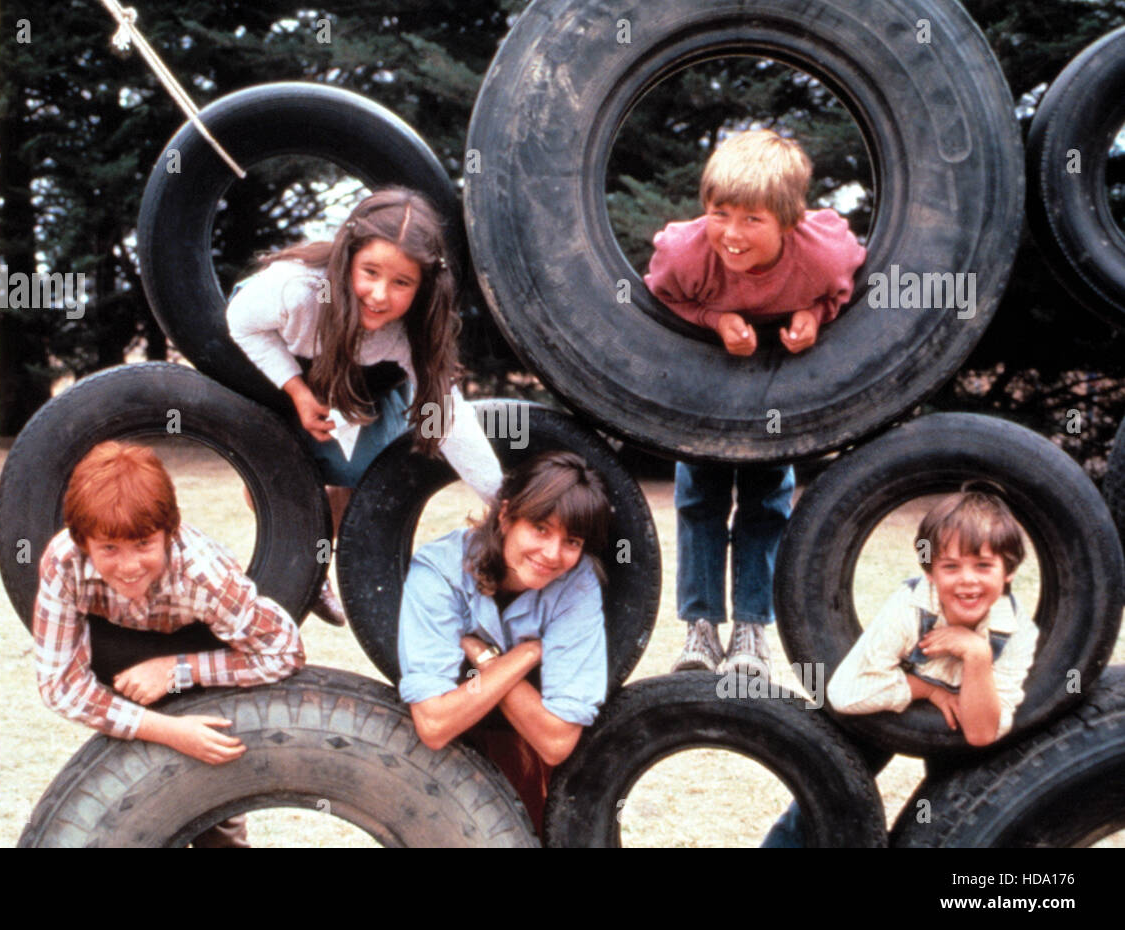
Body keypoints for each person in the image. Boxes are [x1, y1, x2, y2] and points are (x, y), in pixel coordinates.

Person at [643, 128, 866, 679]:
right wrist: (713, 320)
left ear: (789, 220)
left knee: (767, 503)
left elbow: (847, 286)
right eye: (721, 214)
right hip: (709, 382)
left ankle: (750, 629)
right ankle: (700, 629)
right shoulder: (686, 252)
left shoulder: (822, 252)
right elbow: (657, 302)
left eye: (752, 220)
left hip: (779, 385)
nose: (732, 235)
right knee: (699, 498)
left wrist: (816, 317)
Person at [227, 187, 503, 625]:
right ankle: (305, 565)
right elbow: (242, 322)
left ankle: (320, 553)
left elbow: (447, 414)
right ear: (347, 261)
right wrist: (296, 389)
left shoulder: (410, 329)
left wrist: (499, 497)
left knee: (363, 473)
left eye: (401, 283)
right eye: (369, 272)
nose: (379, 294)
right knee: (274, 474)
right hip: (285, 354)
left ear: (423, 285)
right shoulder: (297, 294)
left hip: (364, 371)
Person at [32, 441, 306, 847]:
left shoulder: (204, 575)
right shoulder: (64, 562)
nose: (128, 567)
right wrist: (166, 730)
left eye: (144, 544)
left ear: (168, 532)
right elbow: (59, 684)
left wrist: (180, 672)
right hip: (120, 658)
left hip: (199, 645)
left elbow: (285, 650)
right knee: (137, 797)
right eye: (109, 548)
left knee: (216, 812)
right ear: (83, 541)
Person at [763, 482, 1038, 846]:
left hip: (960, 719)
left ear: (1009, 572)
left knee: (951, 814)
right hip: (887, 702)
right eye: (951, 566)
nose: (967, 580)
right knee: (826, 791)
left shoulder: (1017, 633)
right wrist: (927, 689)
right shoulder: (910, 607)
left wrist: (977, 655)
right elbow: (845, 694)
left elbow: (982, 733)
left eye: (983, 565)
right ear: (930, 573)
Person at [396, 451, 611, 835]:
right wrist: (526, 655)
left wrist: (489, 659)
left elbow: (557, 740)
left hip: (533, 753)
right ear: (506, 515)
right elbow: (433, 723)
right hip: (447, 755)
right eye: (541, 529)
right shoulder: (440, 570)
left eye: (572, 541)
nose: (552, 554)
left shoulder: (577, 585)